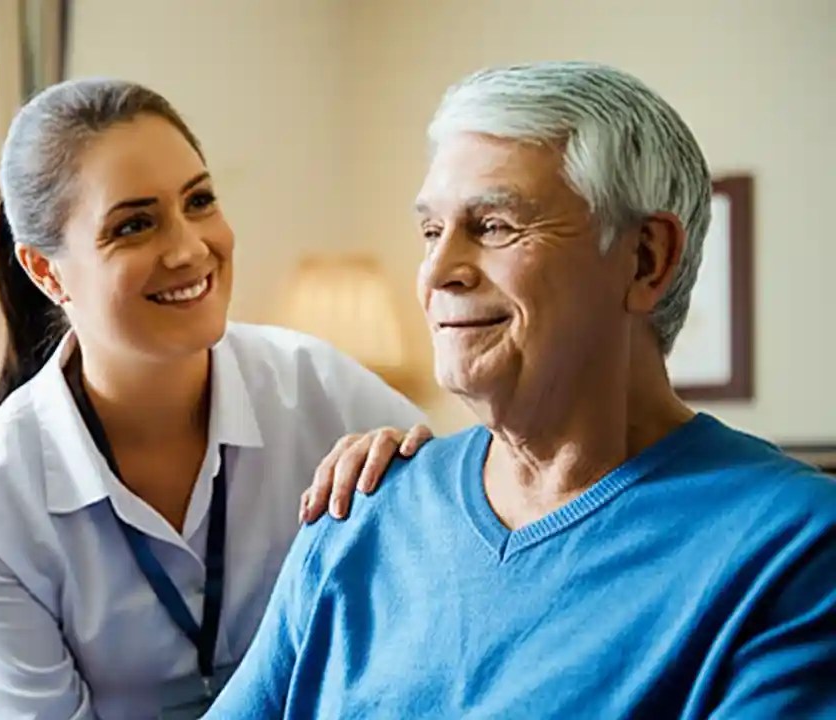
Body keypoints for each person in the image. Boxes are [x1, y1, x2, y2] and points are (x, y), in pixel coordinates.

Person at [206, 61, 836, 718]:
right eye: (431, 232)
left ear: (645, 259)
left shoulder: (793, 548)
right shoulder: (361, 509)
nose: (438, 272)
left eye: (494, 226)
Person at [0, 78, 432, 720]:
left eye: (200, 201)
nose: (190, 248)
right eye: (134, 225)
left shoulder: (323, 392)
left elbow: (464, 578)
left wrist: (427, 478)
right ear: (46, 271)